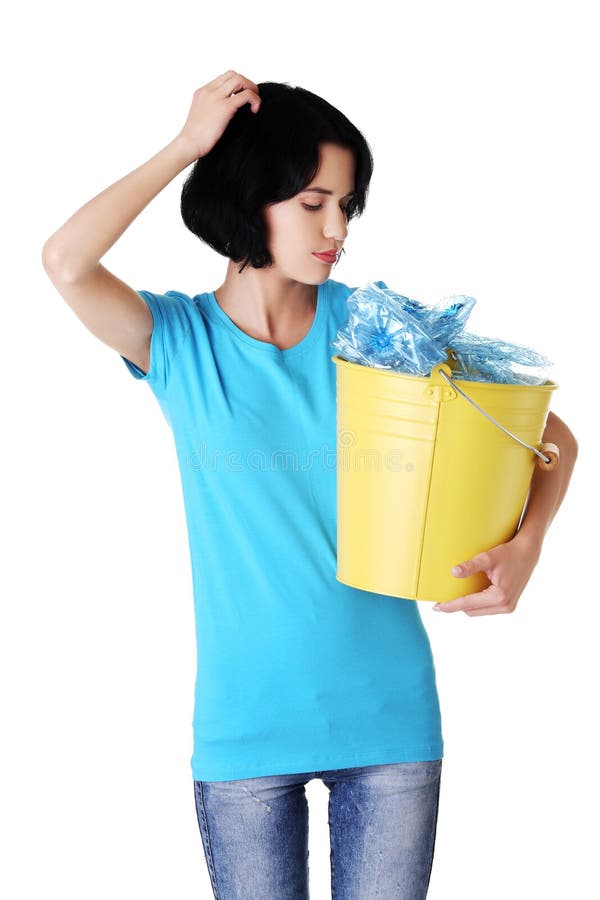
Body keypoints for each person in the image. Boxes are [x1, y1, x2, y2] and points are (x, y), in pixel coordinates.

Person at [42, 70, 578, 900]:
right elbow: (66, 261)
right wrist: (188, 145)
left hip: (390, 717)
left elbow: (546, 433)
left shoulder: (375, 331)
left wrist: (528, 544)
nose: (338, 229)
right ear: (248, 199)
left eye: (348, 205)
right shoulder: (177, 342)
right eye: (313, 202)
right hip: (245, 731)